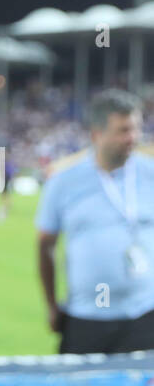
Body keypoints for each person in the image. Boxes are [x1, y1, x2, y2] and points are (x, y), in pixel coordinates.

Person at [37, 88, 154, 354]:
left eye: (136, 129)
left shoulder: (149, 173)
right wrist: (51, 305)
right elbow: (45, 245)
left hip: (146, 315)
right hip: (87, 319)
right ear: (96, 134)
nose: (132, 138)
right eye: (123, 130)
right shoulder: (64, 181)